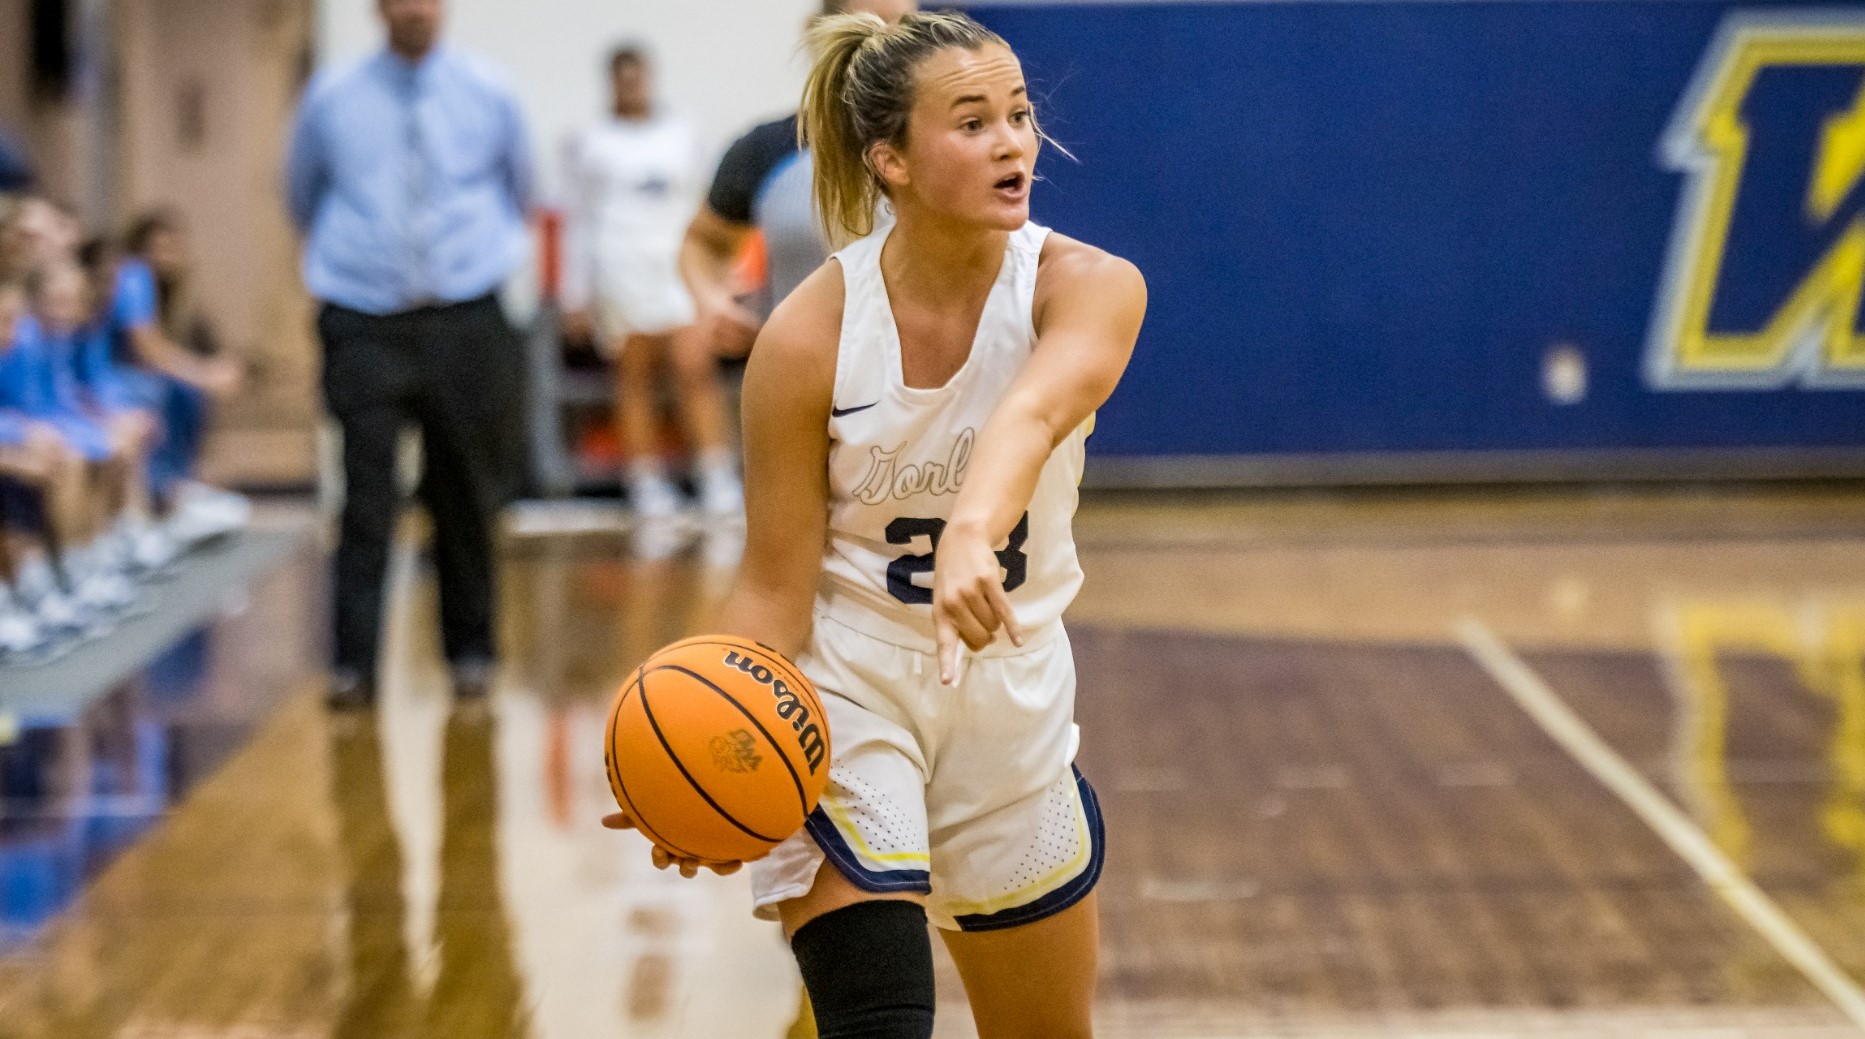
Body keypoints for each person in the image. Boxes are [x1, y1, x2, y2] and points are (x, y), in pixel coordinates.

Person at [606, 12, 1147, 1037]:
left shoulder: (1088, 288)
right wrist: (694, 750)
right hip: (845, 703)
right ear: (887, 159)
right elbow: (770, 587)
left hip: (1012, 703)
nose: (1012, 143)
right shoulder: (806, 335)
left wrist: (970, 533)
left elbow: (1030, 415)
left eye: (1020, 117)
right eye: (973, 122)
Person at [285, 0, 535, 709]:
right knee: (364, 498)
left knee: (464, 493)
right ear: (378, 9)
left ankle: (472, 655)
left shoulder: (488, 90)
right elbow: (301, 194)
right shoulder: (332, 96)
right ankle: (352, 667)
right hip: (364, 318)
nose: (414, 9)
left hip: (465, 316)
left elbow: (521, 187)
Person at [678, 0, 917, 360]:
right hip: (799, 375)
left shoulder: (938, 145)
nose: (887, 49)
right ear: (824, 33)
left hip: (919, 378)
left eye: (904, 30)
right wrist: (713, 302)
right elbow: (703, 241)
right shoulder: (768, 148)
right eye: (869, 29)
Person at [562, 45, 740, 521]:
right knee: (635, 374)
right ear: (611, 83)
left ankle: (716, 474)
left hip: (676, 264)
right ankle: (645, 480)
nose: (631, 87)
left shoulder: (684, 133)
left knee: (693, 365)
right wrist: (574, 293)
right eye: (622, 79)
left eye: (638, 77)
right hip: (620, 268)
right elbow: (577, 221)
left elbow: (710, 209)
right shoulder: (590, 142)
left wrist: (719, 273)